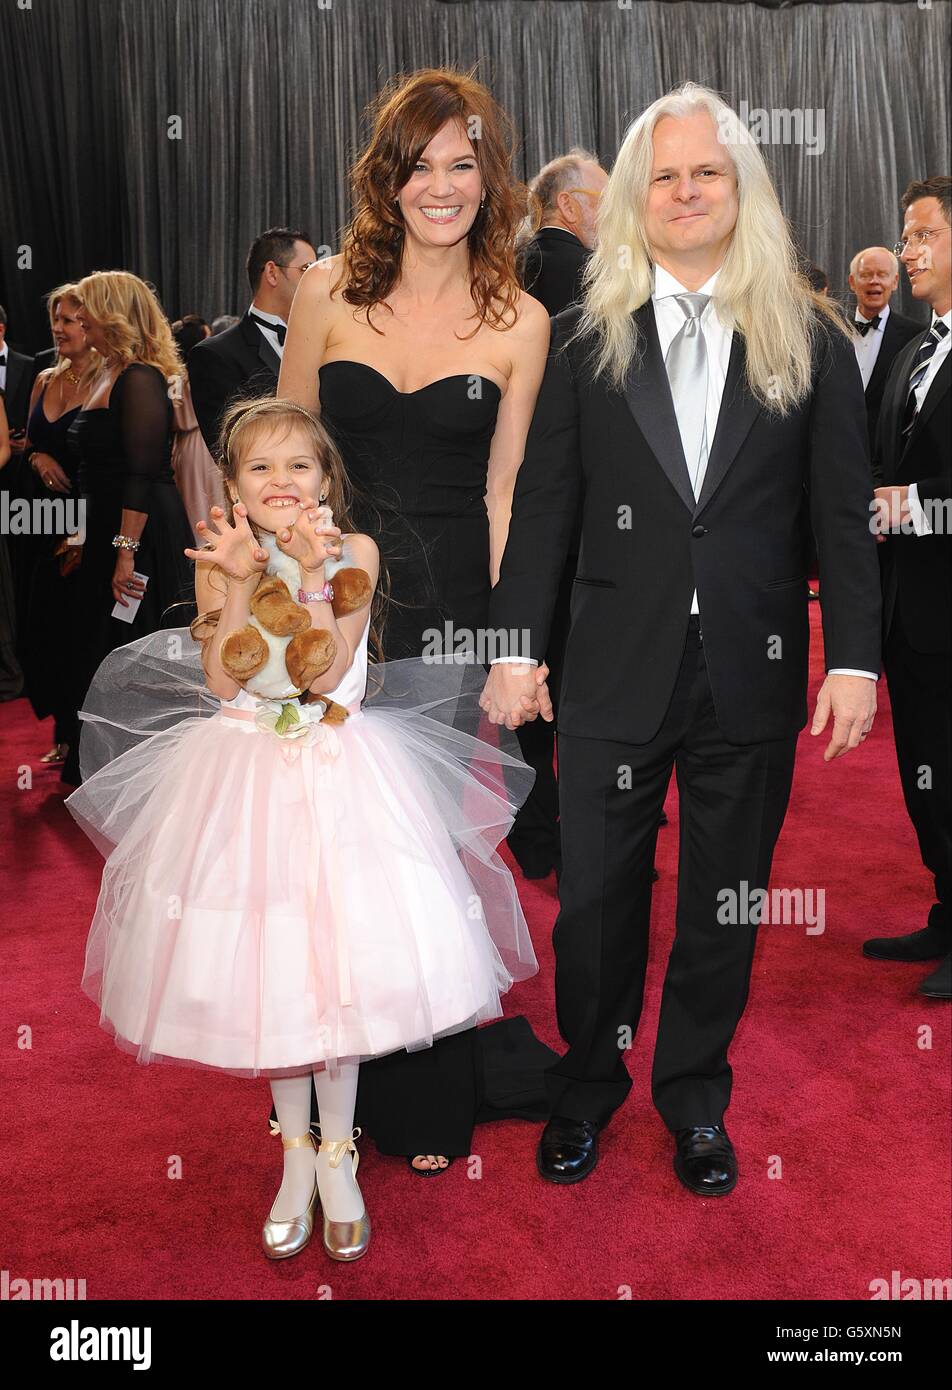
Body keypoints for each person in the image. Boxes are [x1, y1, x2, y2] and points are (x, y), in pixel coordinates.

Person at [481, 83, 882, 1195]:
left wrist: (852, 658)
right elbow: (547, 507)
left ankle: (695, 1099)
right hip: (611, 667)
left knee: (724, 902)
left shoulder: (808, 335)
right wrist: (516, 646)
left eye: (707, 171)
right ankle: (586, 1089)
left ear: (740, 187)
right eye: (665, 175)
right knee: (599, 904)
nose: (687, 190)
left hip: (749, 676)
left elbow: (840, 517)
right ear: (634, 200)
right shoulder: (583, 338)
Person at [64, 395, 539, 1264]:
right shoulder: (221, 560)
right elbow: (221, 680)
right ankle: (292, 1156)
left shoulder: (353, 550)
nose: (281, 481)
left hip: (340, 775)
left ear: (327, 478)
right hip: (241, 779)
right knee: (273, 976)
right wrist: (240, 580)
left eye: (299, 465)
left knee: (344, 974)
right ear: (234, 485)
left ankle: (338, 1153)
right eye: (259, 467)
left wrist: (312, 576)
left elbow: (321, 671)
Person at [276, 67, 555, 1174]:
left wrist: (508, 648)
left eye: (461, 163)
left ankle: (423, 1091)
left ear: (488, 177)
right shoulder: (325, 291)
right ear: (385, 178)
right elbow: (286, 461)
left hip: (450, 617)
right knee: (326, 856)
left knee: (425, 857)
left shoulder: (521, 318)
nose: (441, 186)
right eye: (418, 164)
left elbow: (506, 496)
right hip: (333, 608)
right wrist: (285, 587)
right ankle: (325, 1091)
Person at [510, 149, 610, 882]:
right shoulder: (586, 279)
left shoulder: (509, 270)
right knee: (575, 686)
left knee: (530, 668)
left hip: (521, 505)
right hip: (583, 515)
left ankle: (539, 833)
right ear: (572, 206)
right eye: (606, 198)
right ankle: (579, 842)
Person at [866, 176, 952, 1001]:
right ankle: (947, 910)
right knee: (928, 770)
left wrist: (916, 505)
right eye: (906, 234)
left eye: (924, 233)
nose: (907, 250)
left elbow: (912, 488)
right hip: (912, 616)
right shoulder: (921, 346)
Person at [61, 270, 195, 786]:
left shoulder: (139, 377)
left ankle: (150, 770)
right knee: (105, 646)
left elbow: (142, 473)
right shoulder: (106, 371)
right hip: (110, 532)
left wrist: (124, 551)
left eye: (85, 309)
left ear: (109, 313)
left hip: (138, 533)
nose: (78, 320)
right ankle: (109, 762)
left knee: (136, 645)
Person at [20, 284, 100, 764]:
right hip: (40, 525)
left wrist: (87, 533)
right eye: (56, 319)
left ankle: (81, 738)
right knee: (41, 630)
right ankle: (61, 730)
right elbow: (28, 444)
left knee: (78, 633)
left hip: (87, 526)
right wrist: (38, 459)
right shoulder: (45, 378)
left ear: (92, 325)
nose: (58, 327)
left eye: (69, 319)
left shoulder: (108, 382)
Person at [188, 229, 318, 454]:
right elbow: (227, 449)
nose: (316, 280)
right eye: (307, 270)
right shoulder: (215, 355)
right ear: (272, 273)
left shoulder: (324, 345)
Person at [847, 246, 921, 447]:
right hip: (838, 450)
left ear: (895, 282)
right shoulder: (832, 331)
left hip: (887, 455)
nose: (874, 281)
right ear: (852, 282)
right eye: (866, 275)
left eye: (882, 275)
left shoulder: (915, 336)